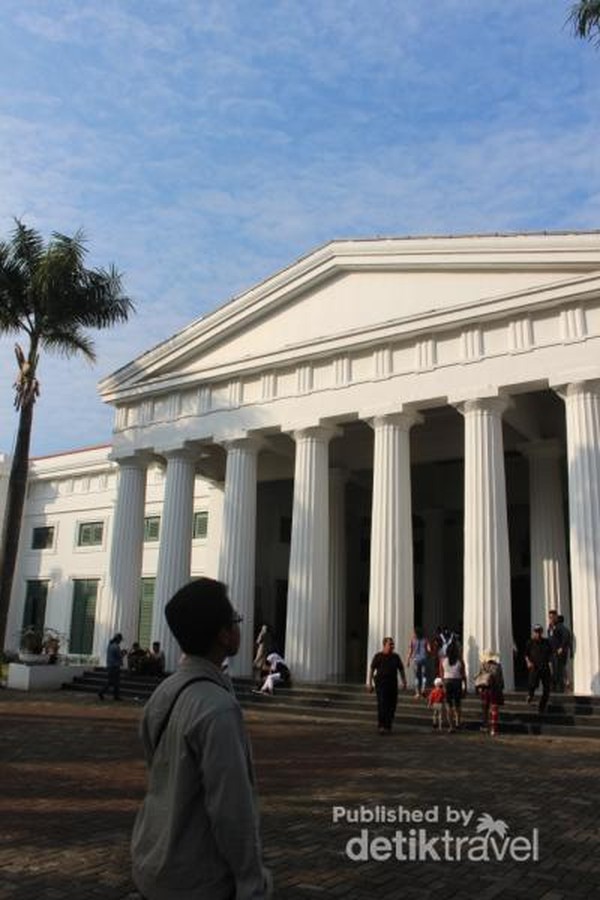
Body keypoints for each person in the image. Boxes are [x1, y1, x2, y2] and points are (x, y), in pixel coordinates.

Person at [131, 577, 271, 900]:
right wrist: (251, 883)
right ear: (223, 634)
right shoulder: (218, 710)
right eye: (235, 620)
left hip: (153, 862)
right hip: (197, 879)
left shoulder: (163, 693)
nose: (240, 627)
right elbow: (231, 809)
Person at [368, 637, 407, 734]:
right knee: (382, 704)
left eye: (393, 644)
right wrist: (369, 683)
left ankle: (388, 725)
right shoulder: (378, 656)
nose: (392, 646)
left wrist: (404, 681)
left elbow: (401, 669)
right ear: (384, 645)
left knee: (392, 705)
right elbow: (372, 670)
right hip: (381, 684)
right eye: (390, 644)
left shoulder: (396, 657)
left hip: (392, 684)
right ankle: (381, 726)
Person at [474, 649, 505, 736]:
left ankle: (485, 726)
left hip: (485, 689)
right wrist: (501, 688)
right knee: (494, 709)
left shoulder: (483, 665)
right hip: (495, 689)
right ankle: (493, 729)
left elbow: (479, 676)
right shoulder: (498, 666)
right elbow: (501, 679)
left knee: (485, 709)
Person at [440, 637, 466, 732]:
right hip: (457, 682)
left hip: (447, 682)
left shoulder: (443, 660)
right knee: (458, 704)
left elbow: (441, 674)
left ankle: (451, 726)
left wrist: (443, 685)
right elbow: (463, 675)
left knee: (449, 705)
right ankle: (458, 722)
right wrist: (465, 686)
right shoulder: (460, 661)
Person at [525, 624, 553, 713]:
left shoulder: (546, 642)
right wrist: (528, 662)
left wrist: (550, 665)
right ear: (534, 632)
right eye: (536, 632)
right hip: (535, 667)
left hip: (544, 667)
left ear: (542, 632)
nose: (538, 634)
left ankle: (542, 707)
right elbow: (526, 654)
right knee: (532, 684)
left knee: (547, 689)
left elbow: (550, 655)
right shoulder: (530, 642)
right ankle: (530, 695)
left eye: (539, 632)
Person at [98, 633, 124, 701]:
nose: (120, 641)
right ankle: (102, 692)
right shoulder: (116, 646)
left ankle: (115, 696)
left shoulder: (110, 645)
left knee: (114, 682)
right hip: (114, 666)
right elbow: (119, 656)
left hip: (110, 665)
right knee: (113, 682)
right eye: (120, 640)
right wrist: (124, 653)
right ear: (118, 639)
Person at [548, 610, 568, 693]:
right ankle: (554, 687)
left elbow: (565, 636)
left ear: (556, 617)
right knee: (553, 670)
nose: (551, 619)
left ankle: (560, 688)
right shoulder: (550, 628)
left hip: (558, 652)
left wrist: (561, 647)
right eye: (550, 617)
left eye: (552, 617)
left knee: (559, 670)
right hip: (552, 652)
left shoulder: (560, 627)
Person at [407, 627, 430, 698]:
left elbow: (410, 651)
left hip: (416, 659)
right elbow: (429, 649)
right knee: (424, 676)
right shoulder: (425, 640)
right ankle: (423, 689)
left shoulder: (412, 640)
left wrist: (408, 660)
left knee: (416, 677)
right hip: (424, 659)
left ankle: (417, 693)